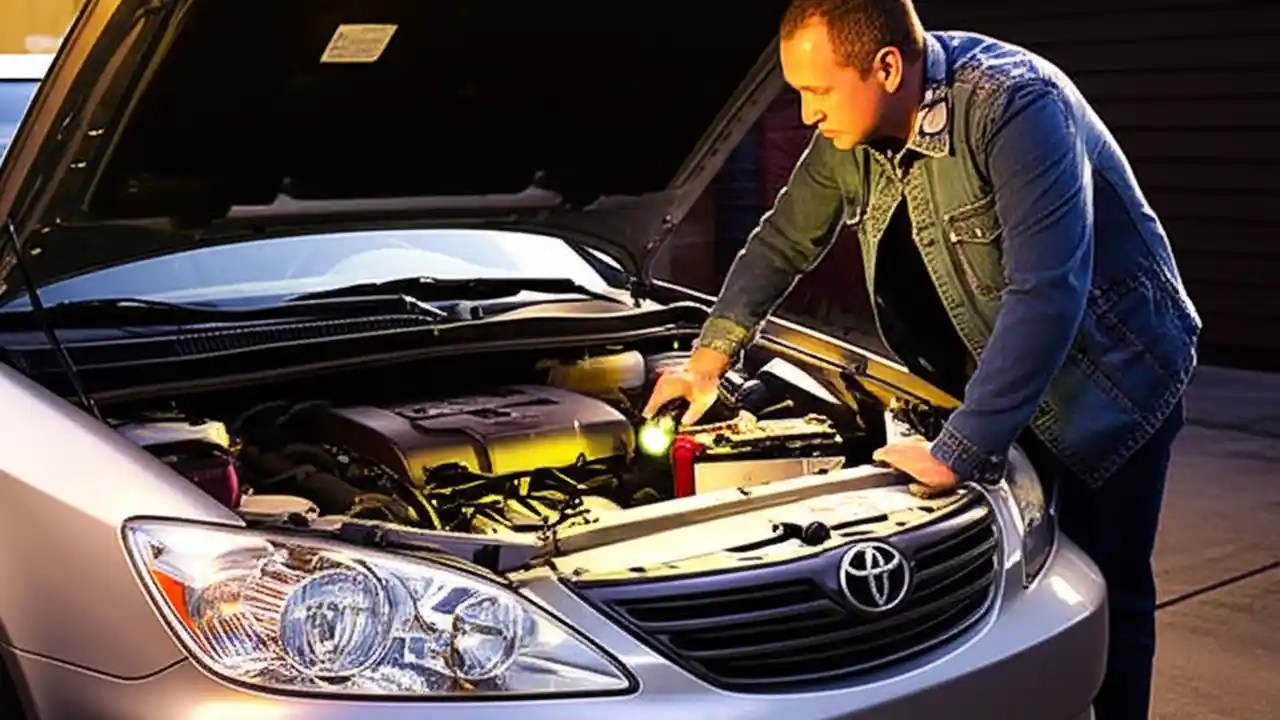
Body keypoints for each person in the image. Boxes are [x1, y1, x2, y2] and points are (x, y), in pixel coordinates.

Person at [642, 1, 1201, 718]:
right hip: (993, 379)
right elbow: (782, 239)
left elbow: (1047, 291)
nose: (807, 114)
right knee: (1010, 590)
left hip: (1111, 378)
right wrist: (709, 359)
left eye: (818, 90)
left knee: (1107, 586)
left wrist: (959, 450)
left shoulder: (1015, 107)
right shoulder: (852, 132)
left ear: (886, 67)